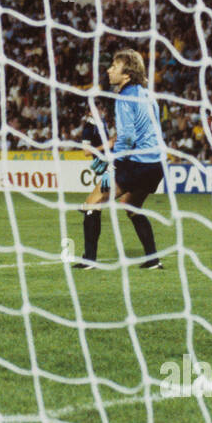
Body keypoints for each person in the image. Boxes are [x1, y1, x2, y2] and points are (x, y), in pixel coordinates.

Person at [108, 48, 166, 269]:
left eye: (114, 67)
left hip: (138, 163)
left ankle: (88, 260)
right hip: (156, 164)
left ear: (127, 74)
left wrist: (115, 161)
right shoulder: (148, 95)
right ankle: (153, 259)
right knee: (131, 206)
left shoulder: (124, 97)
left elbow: (128, 136)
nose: (109, 70)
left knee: (91, 204)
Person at [73, 105, 113, 269]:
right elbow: (86, 151)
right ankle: (90, 257)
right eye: (96, 109)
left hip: (113, 168)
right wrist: (107, 145)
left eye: (101, 109)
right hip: (110, 168)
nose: (100, 112)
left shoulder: (103, 125)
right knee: (94, 207)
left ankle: (89, 259)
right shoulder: (88, 128)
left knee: (92, 207)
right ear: (89, 112)